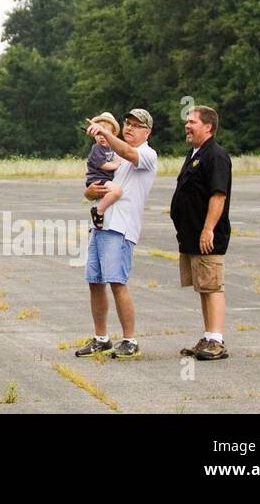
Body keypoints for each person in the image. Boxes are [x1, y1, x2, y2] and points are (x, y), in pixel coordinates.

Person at [75, 109, 158, 360]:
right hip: (100, 225)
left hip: (120, 227)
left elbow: (127, 152)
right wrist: (90, 192)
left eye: (137, 125)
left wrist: (104, 133)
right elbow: (95, 188)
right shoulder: (113, 153)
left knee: (117, 282)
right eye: (127, 123)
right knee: (95, 281)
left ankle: (130, 340)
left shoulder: (146, 154)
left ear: (148, 132)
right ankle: (101, 339)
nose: (130, 128)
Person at [170, 105, 232, 361]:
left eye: (192, 121)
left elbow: (218, 195)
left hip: (207, 236)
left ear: (208, 127)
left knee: (213, 286)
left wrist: (208, 229)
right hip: (192, 236)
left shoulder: (215, 155)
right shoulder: (195, 154)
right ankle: (208, 337)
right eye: (187, 120)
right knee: (203, 287)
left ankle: (217, 341)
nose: (187, 125)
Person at [85, 112, 122, 228]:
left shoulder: (112, 148)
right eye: (98, 133)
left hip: (105, 178)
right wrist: (116, 164)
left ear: (112, 134)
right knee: (116, 191)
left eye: (104, 133)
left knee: (114, 191)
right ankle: (99, 211)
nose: (101, 136)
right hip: (97, 178)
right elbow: (103, 165)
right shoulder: (96, 149)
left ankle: (100, 210)